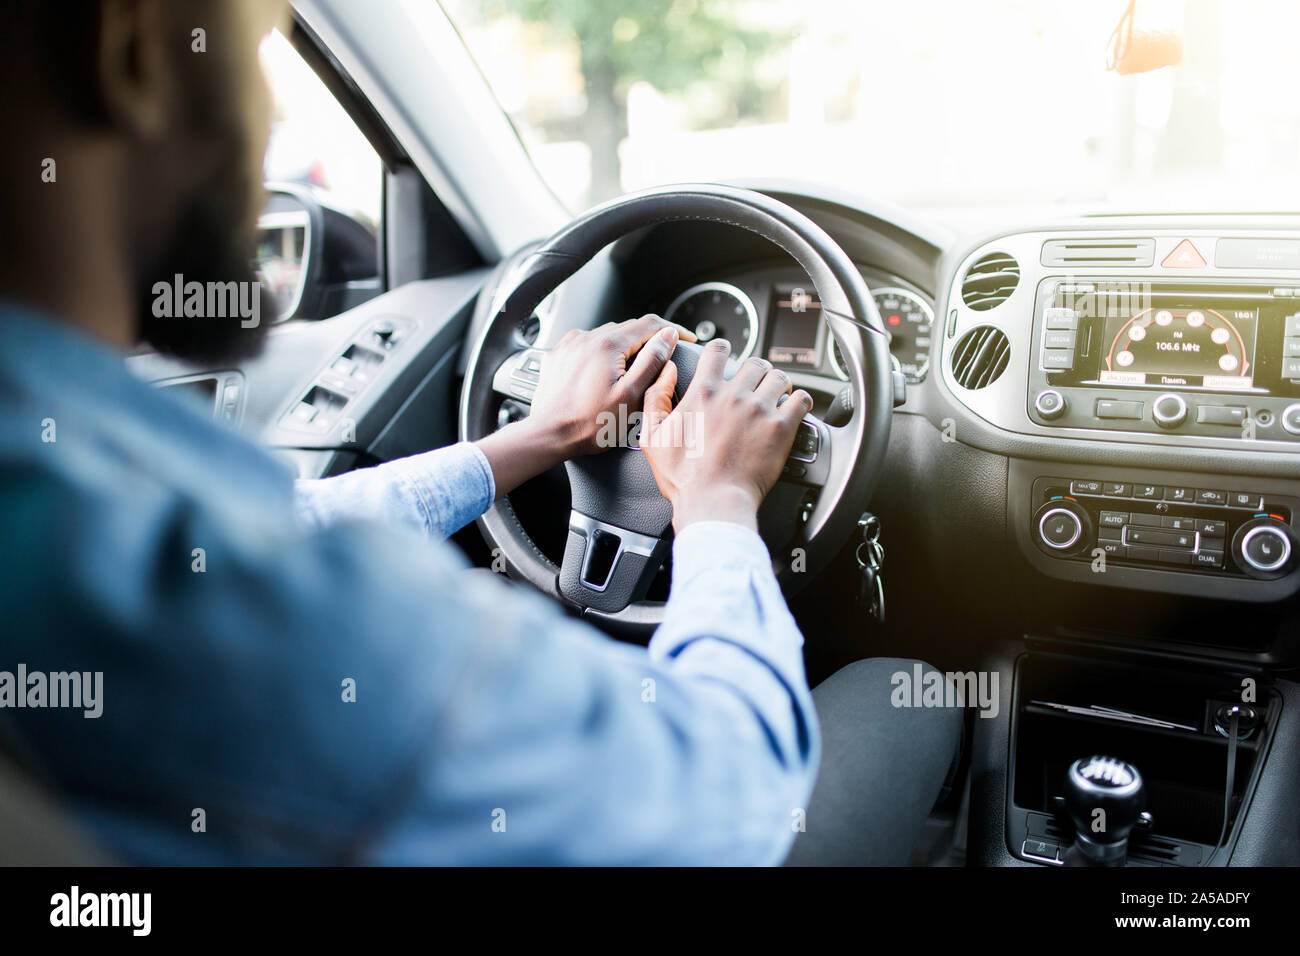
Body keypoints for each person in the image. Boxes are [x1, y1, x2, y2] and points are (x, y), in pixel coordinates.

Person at [0, 0, 958, 865]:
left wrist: (533, 441)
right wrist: (716, 501)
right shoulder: (259, 610)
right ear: (137, 50)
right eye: (260, 46)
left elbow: (305, 517)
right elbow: (730, 802)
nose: (268, 120)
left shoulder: (66, 505)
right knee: (906, 689)